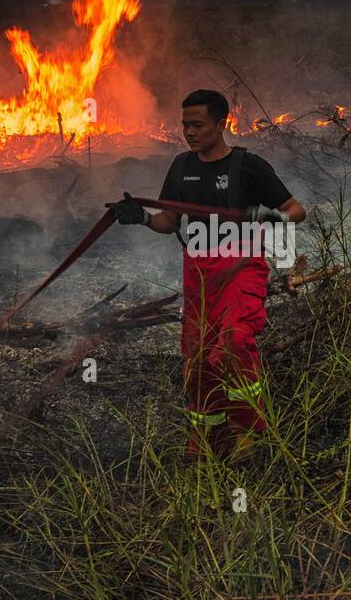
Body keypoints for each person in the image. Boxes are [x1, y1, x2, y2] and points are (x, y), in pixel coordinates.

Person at [106, 89, 305, 459]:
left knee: (232, 342)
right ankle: (210, 440)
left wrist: (272, 218)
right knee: (197, 359)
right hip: (198, 275)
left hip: (242, 268)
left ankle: (251, 433)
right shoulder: (181, 167)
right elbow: (169, 221)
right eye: (185, 125)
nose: (189, 132)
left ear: (221, 122)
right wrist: (142, 217)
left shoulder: (249, 167)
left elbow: (297, 210)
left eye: (197, 124)